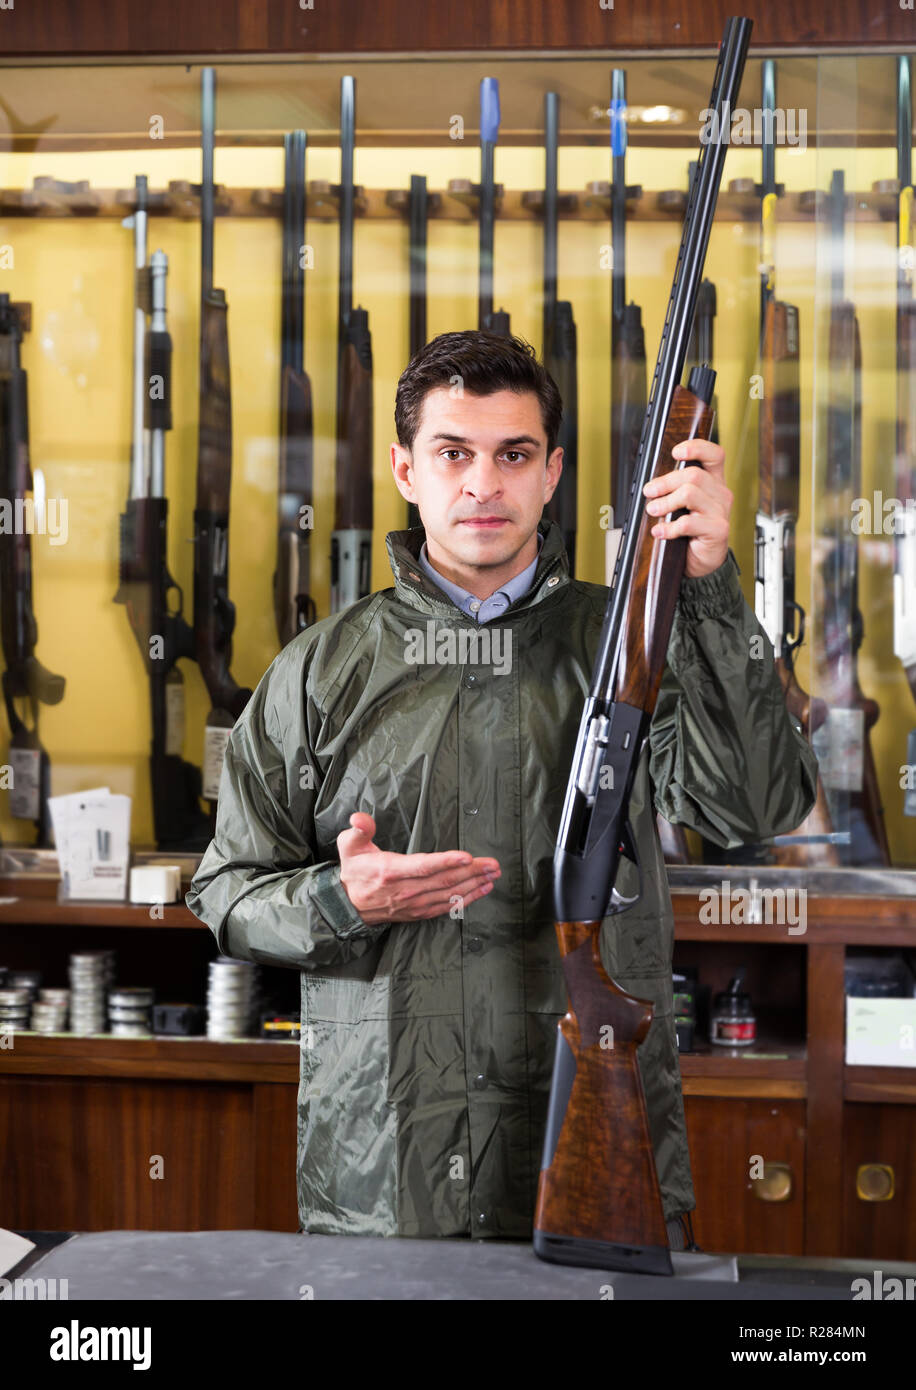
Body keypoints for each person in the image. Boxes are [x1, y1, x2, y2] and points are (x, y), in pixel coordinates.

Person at [186, 330, 818, 1247]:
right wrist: (339, 897)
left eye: (513, 454)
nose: (483, 484)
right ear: (406, 469)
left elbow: (757, 806)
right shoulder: (317, 672)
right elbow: (224, 892)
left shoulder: (633, 643)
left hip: (598, 1167)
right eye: (454, 453)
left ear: (552, 471)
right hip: (386, 1186)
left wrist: (710, 590)